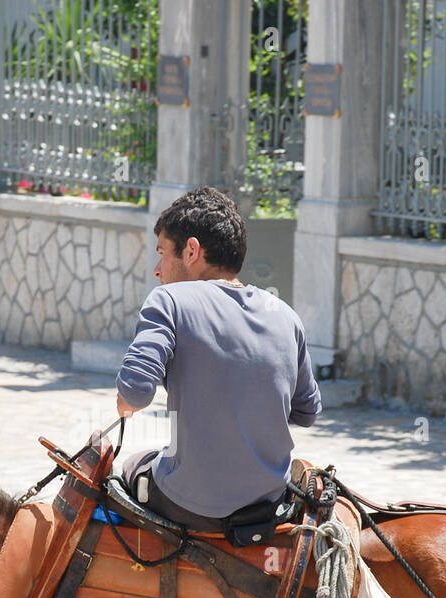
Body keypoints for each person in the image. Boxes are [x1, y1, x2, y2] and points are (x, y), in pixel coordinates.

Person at [114, 186, 322, 532]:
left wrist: (124, 403)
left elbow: (135, 394)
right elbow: (307, 412)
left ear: (191, 250)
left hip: (189, 503)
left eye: (162, 253)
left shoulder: (169, 301)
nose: (157, 269)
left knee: (125, 470)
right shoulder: (286, 315)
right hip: (269, 502)